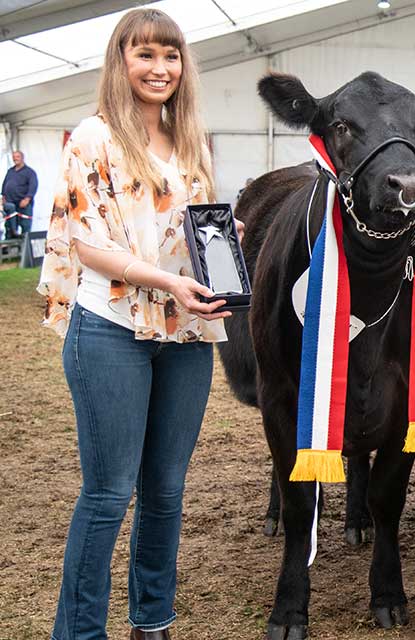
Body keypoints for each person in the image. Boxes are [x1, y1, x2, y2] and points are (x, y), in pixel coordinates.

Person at [37, 9, 231, 639]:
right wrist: (170, 280)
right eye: (145, 55)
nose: (159, 69)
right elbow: (87, 245)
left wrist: (228, 253)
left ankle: (153, 622)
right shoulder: (93, 139)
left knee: (167, 492)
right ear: (120, 61)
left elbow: (193, 235)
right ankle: (80, 631)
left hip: (184, 334)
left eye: (170, 56)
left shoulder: (193, 142)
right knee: (108, 494)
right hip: (110, 327)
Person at [2, 149, 38, 239]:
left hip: (23, 204)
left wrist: (27, 199)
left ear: (22, 158)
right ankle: (8, 250)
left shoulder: (29, 172)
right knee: (9, 228)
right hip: (11, 204)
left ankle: (25, 250)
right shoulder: (10, 171)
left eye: (17, 157)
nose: (15, 159)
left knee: (25, 227)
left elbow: (33, 186)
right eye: (14, 157)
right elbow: (4, 184)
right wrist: (3, 196)